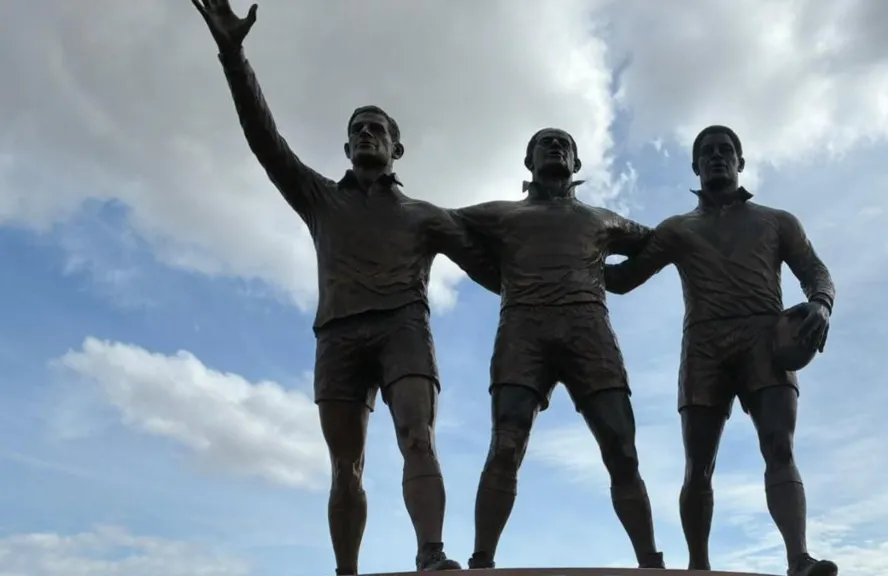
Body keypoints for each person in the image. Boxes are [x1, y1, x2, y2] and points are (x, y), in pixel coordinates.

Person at [189, 0, 501, 572]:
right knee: (344, 465)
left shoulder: (425, 216)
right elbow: (266, 141)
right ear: (346, 146)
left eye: (377, 129)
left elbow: (492, 269)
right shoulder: (320, 200)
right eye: (357, 129)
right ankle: (346, 571)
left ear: (396, 147)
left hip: (403, 329)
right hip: (338, 336)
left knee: (417, 438)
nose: (366, 134)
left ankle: (430, 555)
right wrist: (233, 55)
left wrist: (553, 284)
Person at [604, 125, 837, 576]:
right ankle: (699, 566)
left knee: (780, 448)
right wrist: (576, 250)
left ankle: (798, 559)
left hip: (765, 340)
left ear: (740, 162)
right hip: (704, 346)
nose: (716, 156)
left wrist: (821, 305)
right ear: (695, 166)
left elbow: (815, 272)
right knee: (698, 464)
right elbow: (623, 280)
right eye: (707, 152)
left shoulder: (777, 220)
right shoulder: (676, 229)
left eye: (725, 150)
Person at [452, 128, 664, 570]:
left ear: (577, 163)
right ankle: (481, 560)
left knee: (622, 448)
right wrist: (498, 278)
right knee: (506, 445)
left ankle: (650, 561)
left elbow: (662, 243)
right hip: (522, 333)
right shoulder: (499, 215)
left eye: (563, 143)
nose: (554, 147)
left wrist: (620, 280)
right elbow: (438, 226)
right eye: (543, 144)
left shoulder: (602, 220)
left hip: (590, 333)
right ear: (527, 162)